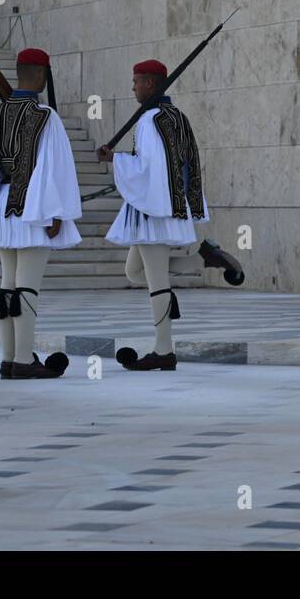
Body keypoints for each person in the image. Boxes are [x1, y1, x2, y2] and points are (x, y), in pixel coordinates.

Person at [0, 48, 81, 379]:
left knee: (7, 285)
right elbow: (53, 166)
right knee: (27, 286)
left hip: (0, 208)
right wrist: (55, 211)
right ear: (43, 76)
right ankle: (24, 360)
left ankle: (8, 358)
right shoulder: (45, 116)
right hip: (33, 207)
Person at [97, 59, 209, 371]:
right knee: (135, 271)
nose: (133, 87)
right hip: (164, 205)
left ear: (150, 83)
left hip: (153, 210)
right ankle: (203, 259)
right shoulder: (175, 117)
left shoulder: (151, 121)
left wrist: (115, 159)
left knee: (156, 279)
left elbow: (148, 169)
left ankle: (164, 350)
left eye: (136, 81)